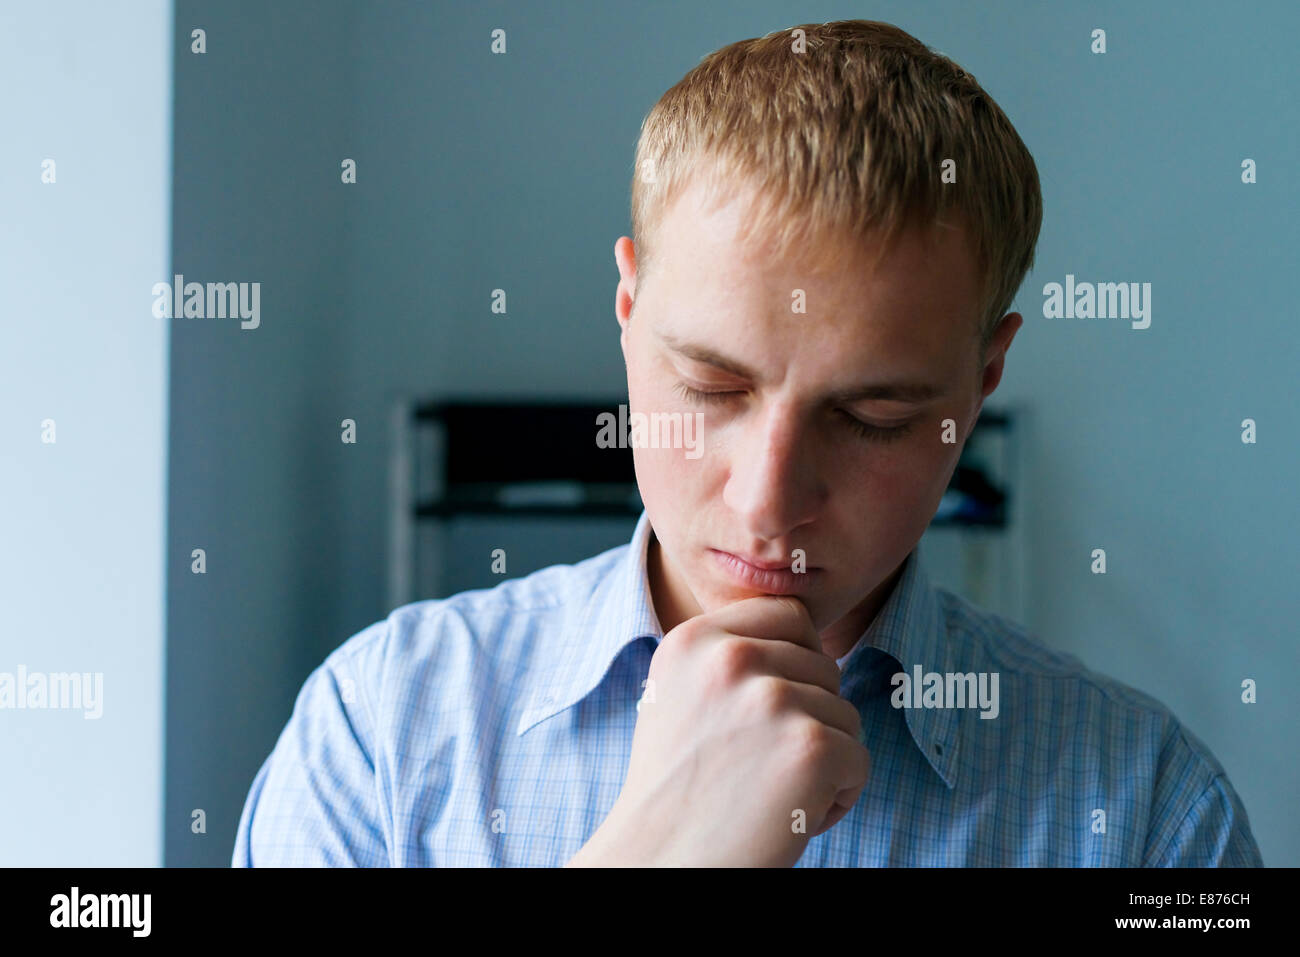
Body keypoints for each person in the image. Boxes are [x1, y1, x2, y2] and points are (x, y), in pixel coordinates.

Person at [233, 19, 1262, 867]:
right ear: (628, 305)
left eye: (872, 419)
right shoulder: (381, 729)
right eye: (711, 386)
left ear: (982, 379)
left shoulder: (1148, 816)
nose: (769, 501)